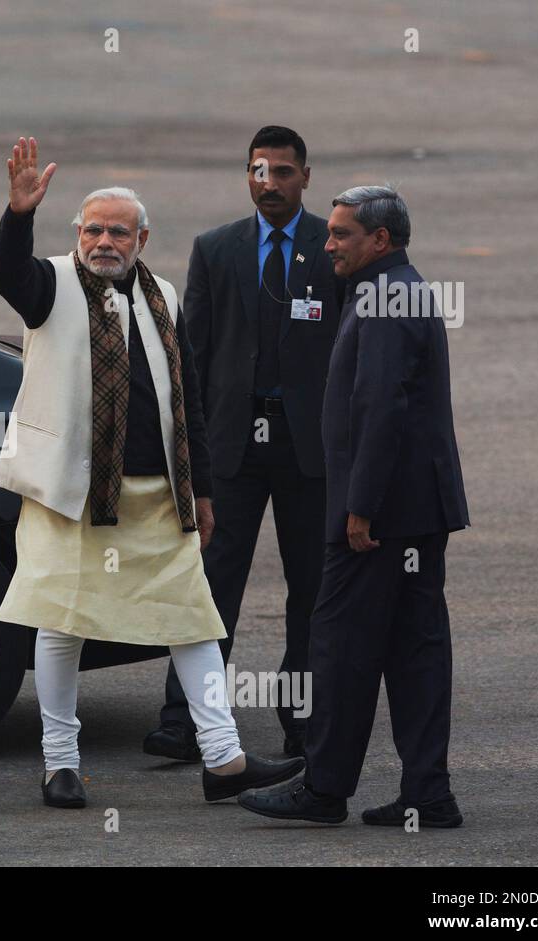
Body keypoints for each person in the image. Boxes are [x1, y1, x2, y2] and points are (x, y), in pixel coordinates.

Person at [0, 137, 303, 808]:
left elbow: (184, 395)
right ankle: (60, 764)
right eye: (94, 230)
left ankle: (222, 759)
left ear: (142, 238)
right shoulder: (50, 284)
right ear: (79, 233)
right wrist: (17, 215)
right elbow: (6, 275)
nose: (105, 240)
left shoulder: (161, 294)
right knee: (60, 623)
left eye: (118, 232)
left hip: (159, 495)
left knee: (192, 619)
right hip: (72, 495)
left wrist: (206, 489)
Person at [238, 185, 469, 826]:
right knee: (415, 648)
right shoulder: (398, 287)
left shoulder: (385, 296)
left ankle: (324, 788)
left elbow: (380, 405)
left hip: (381, 515)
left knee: (339, 646)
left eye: (342, 234)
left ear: (380, 241)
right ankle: (430, 793)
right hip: (419, 510)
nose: (328, 242)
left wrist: (361, 506)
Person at [143, 126, 344, 764]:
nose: (271, 183)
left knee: (310, 588)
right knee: (210, 585)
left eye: (284, 172)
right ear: (246, 176)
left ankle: (304, 722)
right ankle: (186, 720)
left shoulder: (332, 248)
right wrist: (187, 452)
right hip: (231, 446)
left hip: (307, 449)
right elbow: (189, 355)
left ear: (305, 178)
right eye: (260, 171)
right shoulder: (216, 249)